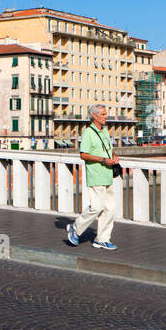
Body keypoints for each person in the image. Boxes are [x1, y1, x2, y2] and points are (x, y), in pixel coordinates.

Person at [67, 104, 121, 251]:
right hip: (96, 174)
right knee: (96, 207)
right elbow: (83, 154)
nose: (106, 116)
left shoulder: (104, 131)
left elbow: (108, 148)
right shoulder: (88, 133)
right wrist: (103, 160)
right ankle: (75, 227)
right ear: (95, 116)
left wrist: (114, 156)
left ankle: (102, 239)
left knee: (110, 209)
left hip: (107, 174)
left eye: (106, 113)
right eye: (103, 114)